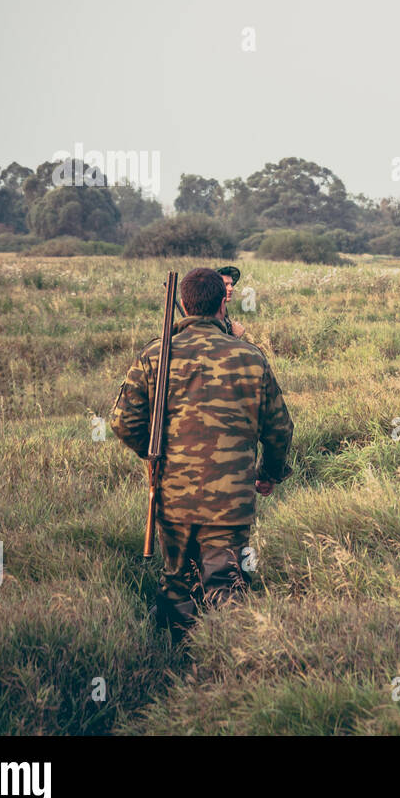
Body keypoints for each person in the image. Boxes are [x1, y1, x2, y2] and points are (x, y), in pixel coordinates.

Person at [109, 267, 293, 645]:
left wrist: (157, 452)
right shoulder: (250, 358)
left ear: (182, 304)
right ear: (223, 301)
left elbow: (122, 422)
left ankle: (177, 659)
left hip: (173, 496)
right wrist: (269, 474)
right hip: (231, 501)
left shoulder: (155, 355)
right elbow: (279, 429)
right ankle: (226, 665)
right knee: (226, 584)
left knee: (178, 583)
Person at [216, 265, 246, 337]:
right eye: (225, 284)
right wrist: (236, 336)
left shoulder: (222, 308)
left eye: (231, 284)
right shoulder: (210, 311)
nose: (231, 288)